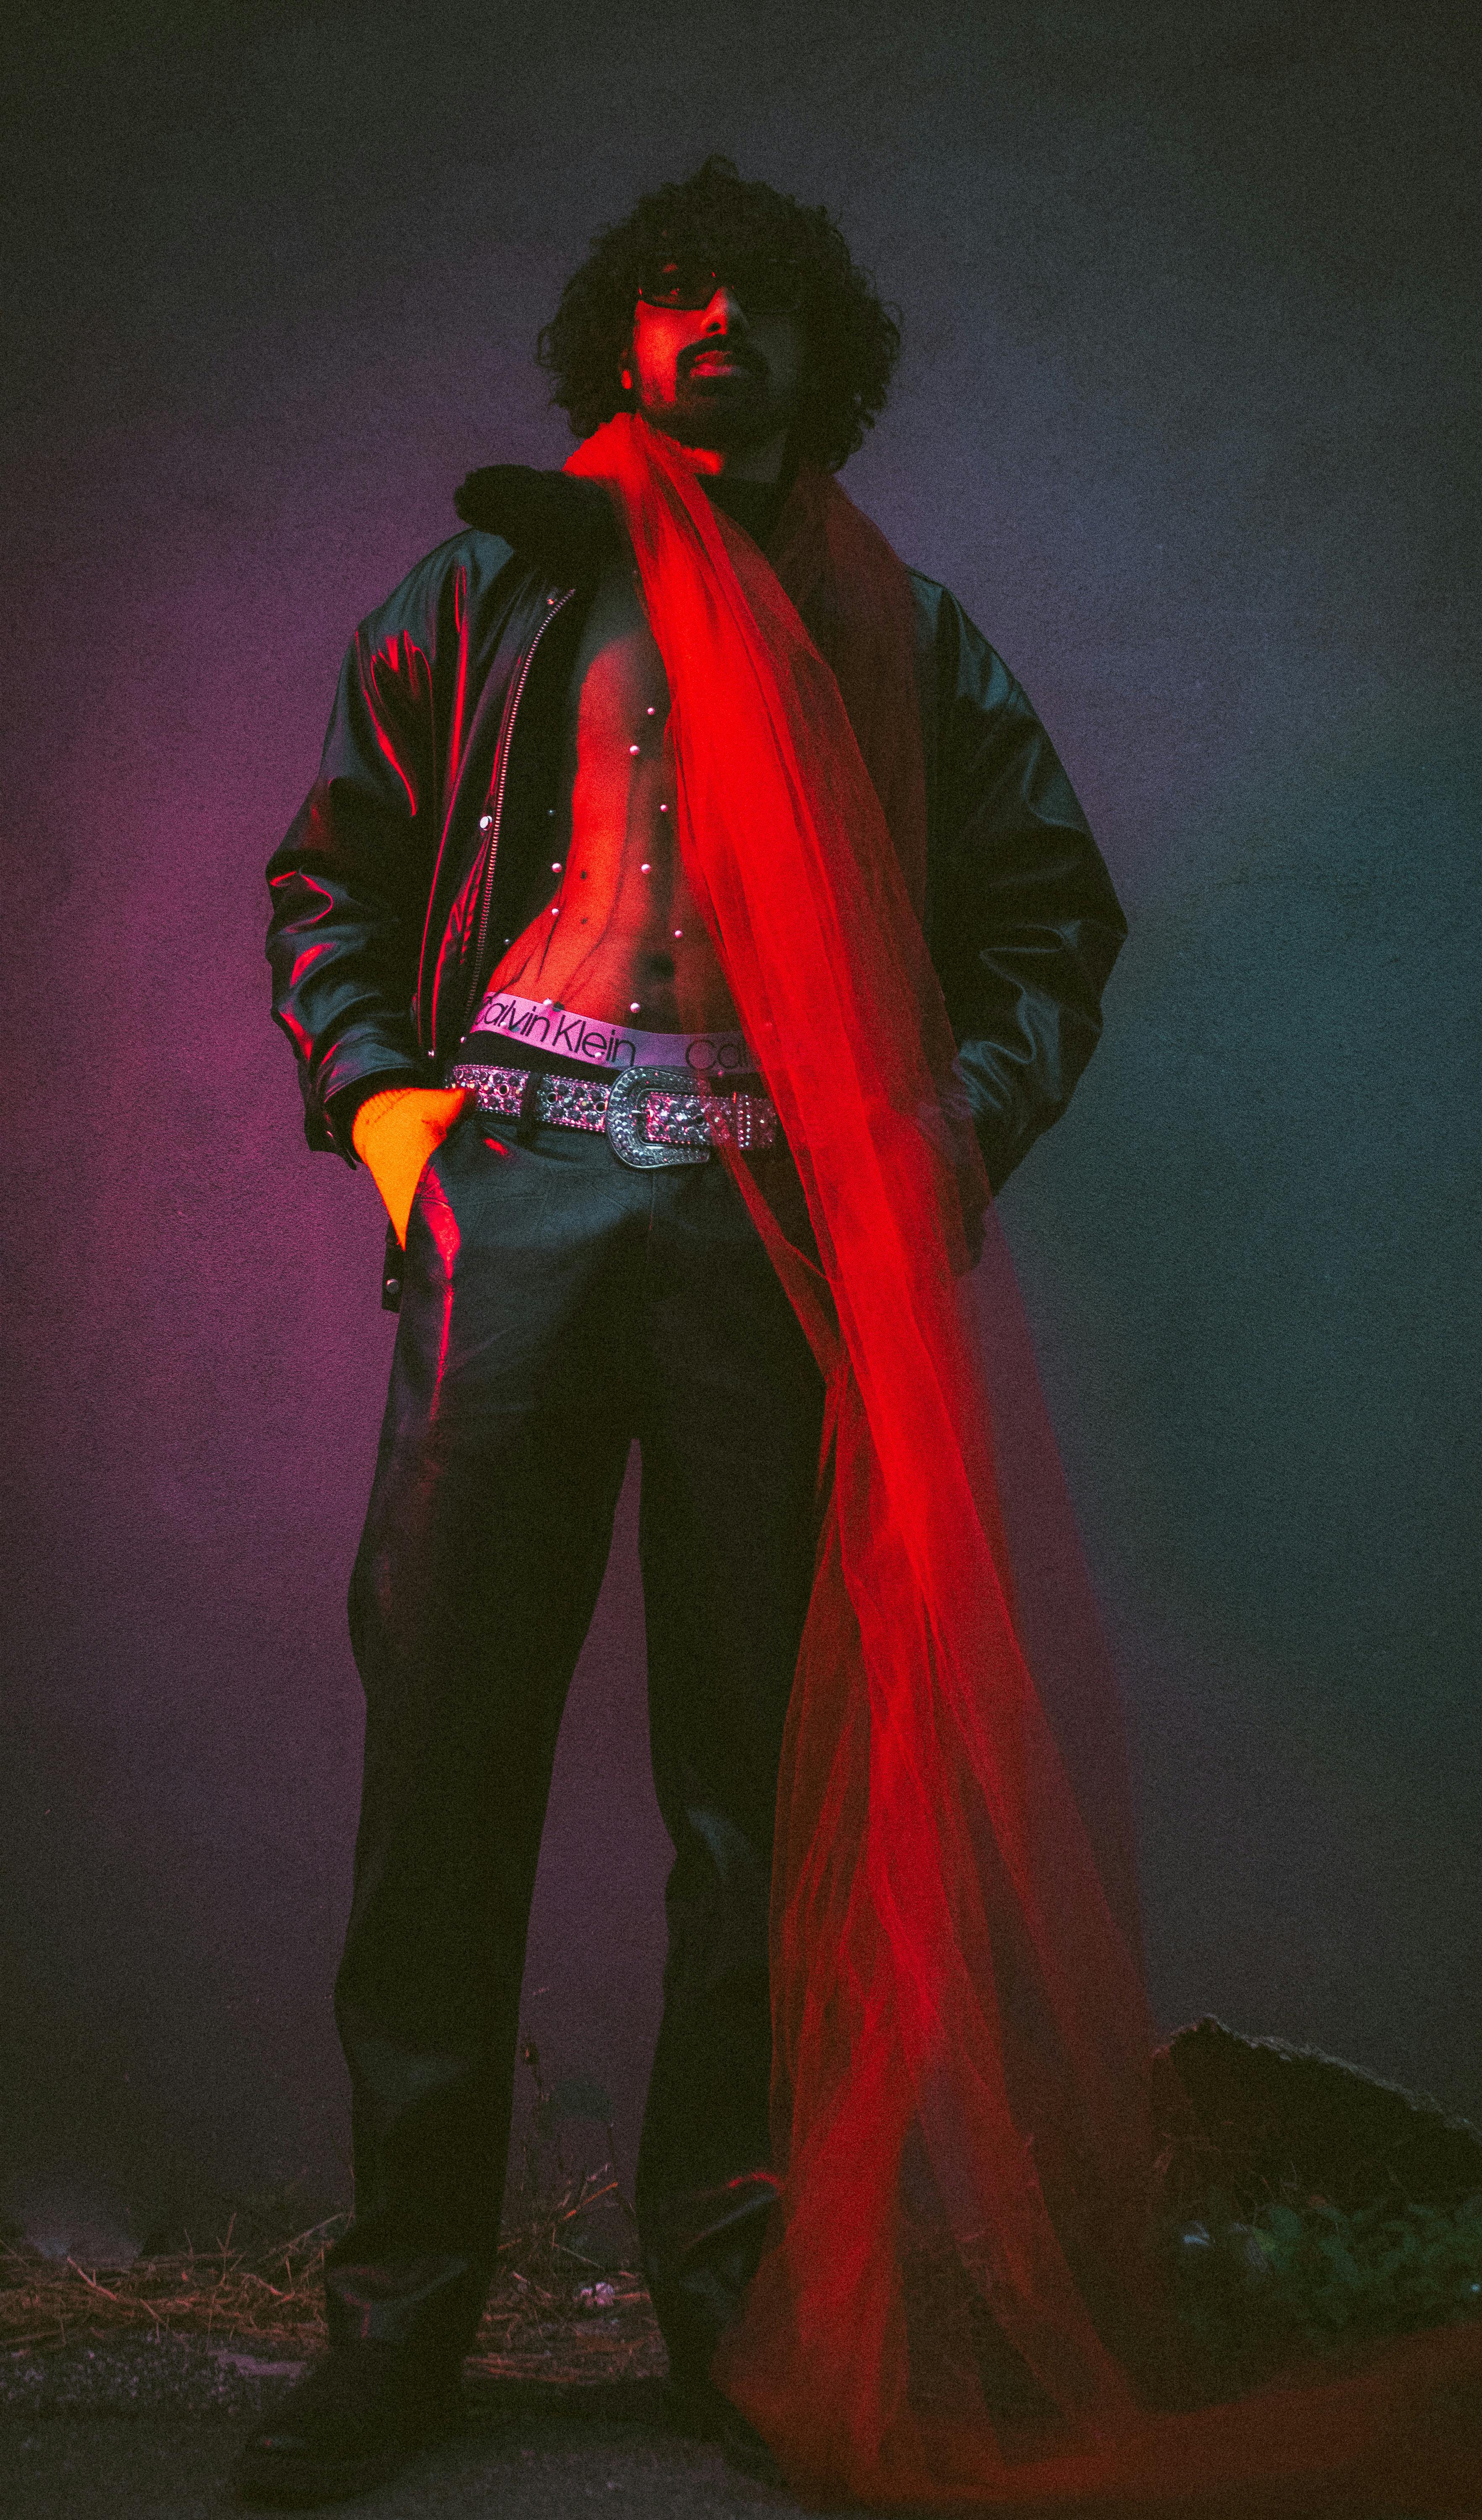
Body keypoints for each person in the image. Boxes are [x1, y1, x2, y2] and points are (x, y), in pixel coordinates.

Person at [242, 154, 1126, 2507]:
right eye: (672, 293)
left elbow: (1055, 927)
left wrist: (919, 1156)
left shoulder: (900, 631)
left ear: (825, 349)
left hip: (764, 1228)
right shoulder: (487, 590)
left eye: (761, 301)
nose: (717, 322)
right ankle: (398, 2316)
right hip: (512, 1197)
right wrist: (393, 1111)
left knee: (759, 1781)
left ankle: (733, 2314)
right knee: (443, 1758)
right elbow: (327, 879)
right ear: (618, 341)